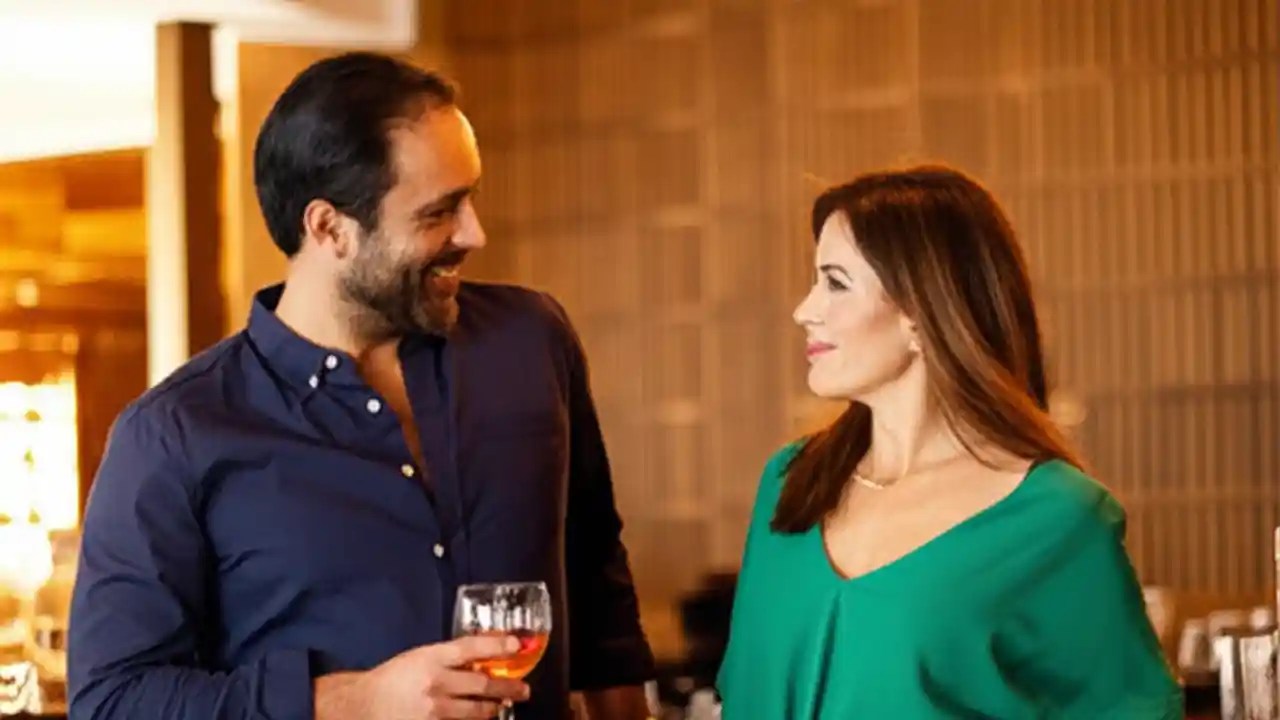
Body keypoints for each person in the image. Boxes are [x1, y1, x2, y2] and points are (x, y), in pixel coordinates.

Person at [68, 52, 654, 720]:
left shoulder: (531, 340)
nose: (474, 233)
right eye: (439, 213)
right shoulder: (173, 435)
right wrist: (352, 701)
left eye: (471, 198)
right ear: (329, 228)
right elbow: (114, 700)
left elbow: (597, 591)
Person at [716, 166, 1182, 718]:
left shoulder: (1058, 517)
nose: (804, 310)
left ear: (920, 311)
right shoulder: (789, 485)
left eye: (835, 283)